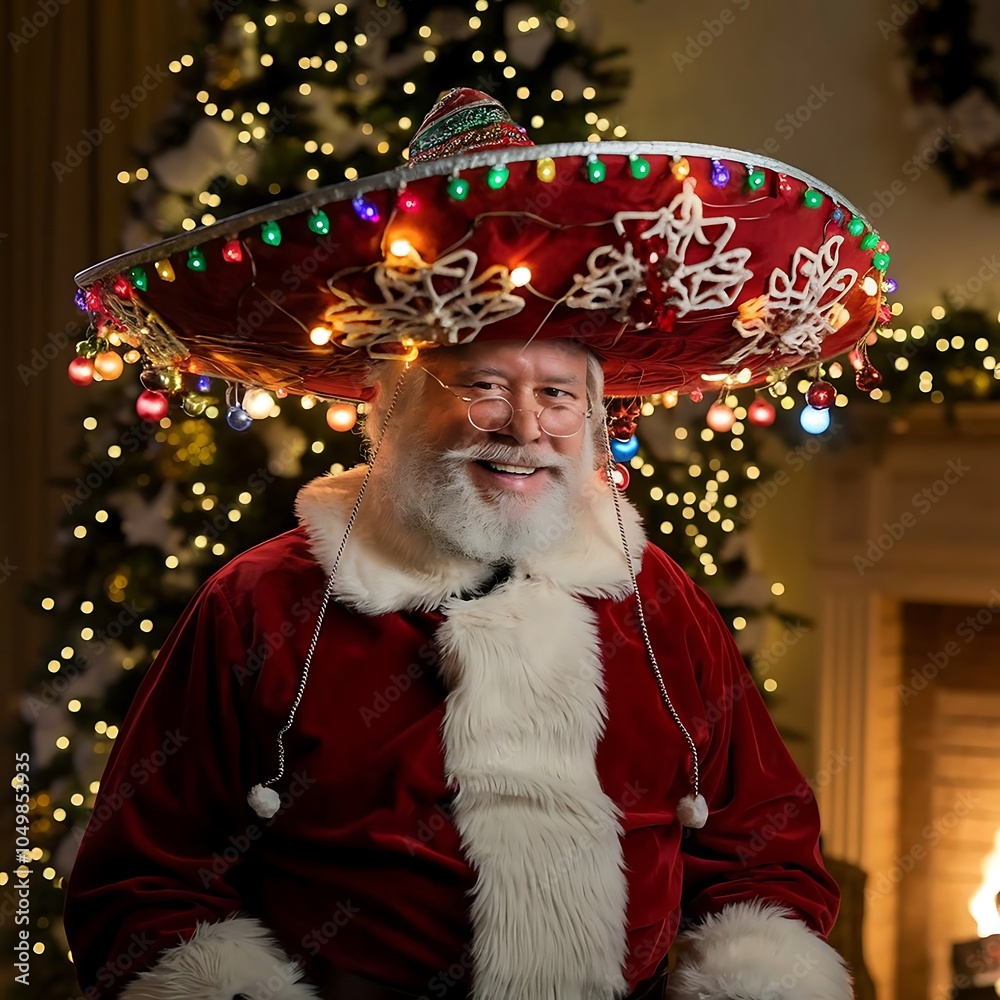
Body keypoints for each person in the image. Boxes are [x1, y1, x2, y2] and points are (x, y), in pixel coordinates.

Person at [63, 87, 886, 999]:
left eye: (559, 395)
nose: (525, 428)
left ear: (594, 416)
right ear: (401, 404)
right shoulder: (260, 603)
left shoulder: (654, 600)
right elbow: (142, 884)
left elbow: (764, 845)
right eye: (483, 386)